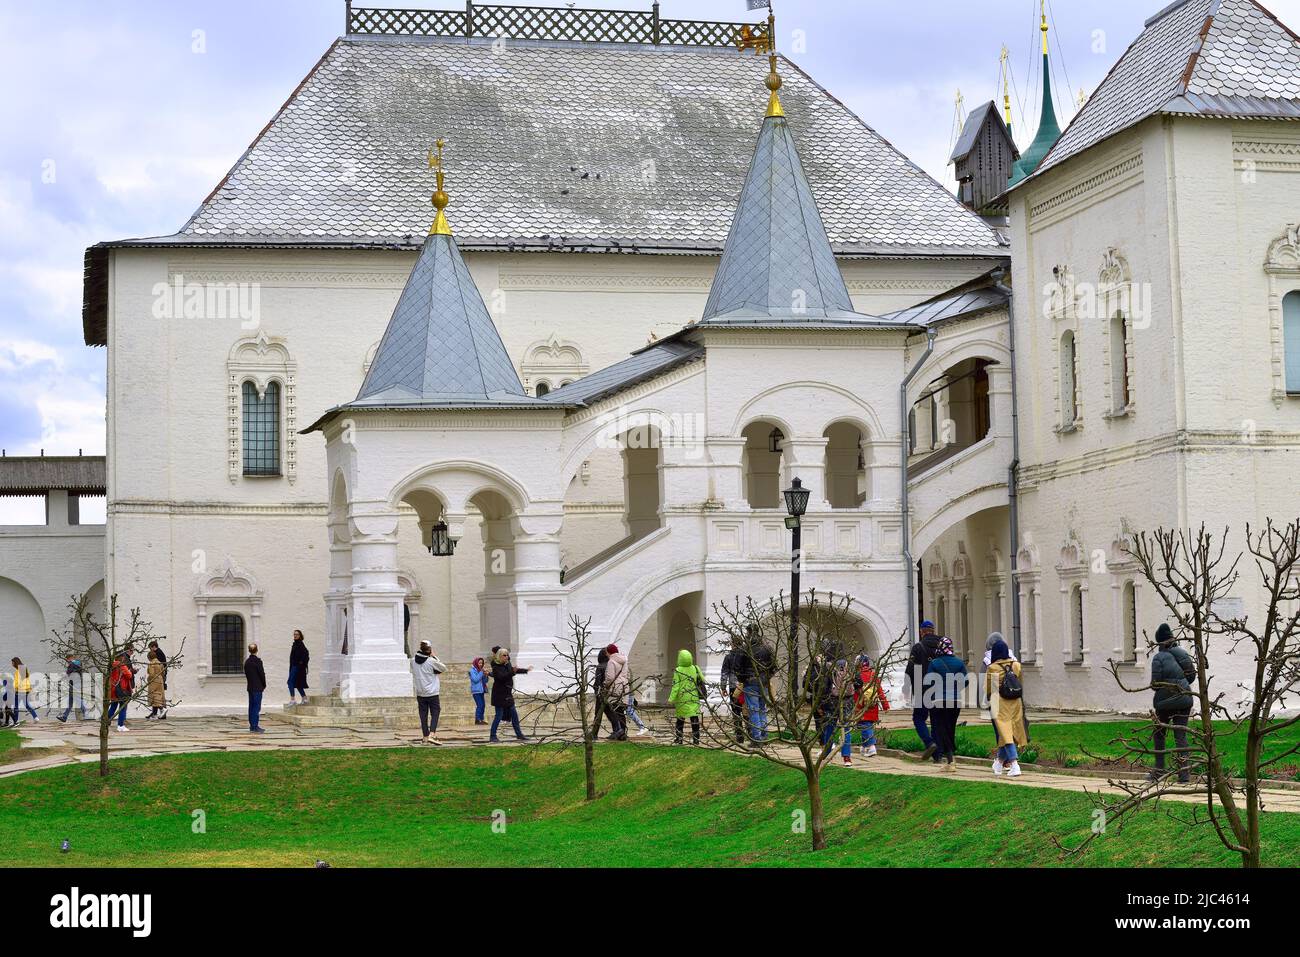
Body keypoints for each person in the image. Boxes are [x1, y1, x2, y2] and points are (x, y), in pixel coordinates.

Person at [1150, 623, 1196, 784]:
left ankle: (1159, 771)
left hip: (1165, 703)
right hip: (1184, 700)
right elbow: (1191, 676)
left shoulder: (1158, 658)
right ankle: (1184, 776)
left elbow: (1155, 683)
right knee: (1180, 737)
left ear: (1160, 642)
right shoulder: (1183, 653)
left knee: (1159, 735)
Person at [985, 637, 1027, 777]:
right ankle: (999, 762)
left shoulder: (992, 668)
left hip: (1000, 703)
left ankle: (1015, 764)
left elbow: (990, 688)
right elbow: (1020, 682)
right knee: (1009, 732)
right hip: (1015, 701)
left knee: (1006, 733)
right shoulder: (1016, 665)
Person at [926, 637, 968, 771]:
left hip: (939, 700)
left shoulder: (935, 663)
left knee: (941, 729)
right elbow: (965, 681)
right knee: (950, 728)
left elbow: (929, 681)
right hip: (955, 701)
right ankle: (950, 758)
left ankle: (950, 759)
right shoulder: (959, 663)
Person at [906, 621, 943, 761]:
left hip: (922, 688)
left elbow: (910, 669)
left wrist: (906, 687)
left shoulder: (918, 647)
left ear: (922, 632)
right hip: (939, 689)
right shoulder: (942, 646)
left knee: (919, 718)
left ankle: (929, 742)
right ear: (933, 630)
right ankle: (937, 754)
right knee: (936, 721)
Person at [818, 658, 862, 766]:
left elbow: (824, 688)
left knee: (829, 730)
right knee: (846, 730)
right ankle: (847, 757)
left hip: (832, 703)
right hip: (847, 701)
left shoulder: (830, 670)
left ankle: (828, 756)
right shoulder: (850, 668)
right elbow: (859, 684)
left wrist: (821, 705)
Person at [736, 626, 772, 742]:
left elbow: (738, 667)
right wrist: (767, 677)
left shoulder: (746, 649)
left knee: (754, 711)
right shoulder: (767, 648)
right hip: (763, 682)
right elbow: (773, 666)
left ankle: (757, 738)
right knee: (762, 709)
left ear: (749, 633)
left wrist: (742, 679)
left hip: (750, 682)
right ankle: (764, 735)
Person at [488, 648, 530, 743]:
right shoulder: (496, 667)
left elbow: (513, 671)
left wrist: (525, 670)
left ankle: (519, 735)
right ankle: (492, 736)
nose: (506, 657)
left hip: (507, 694)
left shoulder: (507, 664)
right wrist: (512, 672)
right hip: (499, 695)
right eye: (504, 655)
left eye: (507, 655)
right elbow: (501, 677)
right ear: (499, 656)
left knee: (514, 715)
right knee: (498, 716)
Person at [411, 640, 446, 745]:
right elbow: (443, 668)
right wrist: (434, 656)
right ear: (429, 650)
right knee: (435, 712)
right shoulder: (431, 661)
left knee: (423, 715)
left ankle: (425, 737)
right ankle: (432, 734)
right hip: (432, 692)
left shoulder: (413, 661)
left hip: (420, 692)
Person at [668, 648, 704, 745]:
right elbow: (703, 680)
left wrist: (671, 698)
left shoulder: (678, 670)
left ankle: (679, 738)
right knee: (694, 718)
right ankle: (696, 739)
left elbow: (676, 686)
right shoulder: (695, 668)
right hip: (693, 697)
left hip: (682, 698)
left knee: (680, 719)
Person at [855, 653, 889, 757]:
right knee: (866, 725)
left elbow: (855, 693)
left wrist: (854, 706)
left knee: (865, 726)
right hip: (873, 705)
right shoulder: (873, 675)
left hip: (861, 706)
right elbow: (880, 691)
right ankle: (864, 747)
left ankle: (871, 746)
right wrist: (885, 705)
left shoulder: (857, 676)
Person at [719, 638, 747, 744]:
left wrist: (723, 687)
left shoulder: (729, 657)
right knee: (746, 709)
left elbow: (724, 673)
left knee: (736, 711)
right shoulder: (746, 656)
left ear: (733, 644)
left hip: (733, 686)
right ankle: (750, 731)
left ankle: (739, 735)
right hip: (744, 686)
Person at [604, 644, 630, 741]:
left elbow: (610, 677)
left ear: (609, 652)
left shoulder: (611, 661)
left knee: (615, 711)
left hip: (616, 688)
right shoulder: (624, 660)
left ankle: (619, 731)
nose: (606, 654)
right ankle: (623, 733)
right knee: (621, 711)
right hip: (624, 686)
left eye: (607, 652)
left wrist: (605, 684)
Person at [106, 653, 134, 732]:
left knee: (113, 706)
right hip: (122, 689)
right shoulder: (122, 665)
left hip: (113, 688)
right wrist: (130, 671)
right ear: (121, 658)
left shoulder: (111, 665)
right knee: (122, 707)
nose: (124, 659)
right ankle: (120, 725)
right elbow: (129, 675)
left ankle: (105, 721)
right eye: (123, 657)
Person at [56, 655, 87, 723]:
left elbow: (68, 673)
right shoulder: (73, 664)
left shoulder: (75, 663)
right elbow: (68, 674)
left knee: (78, 700)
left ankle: (87, 714)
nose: (67, 661)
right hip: (72, 685)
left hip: (76, 685)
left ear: (70, 658)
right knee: (70, 702)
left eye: (67, 659)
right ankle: (64, 717)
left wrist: (60, 679)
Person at [244, 643, 267, 733]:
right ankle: (255, 726)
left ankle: (252, 726)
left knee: (251, 706)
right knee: (256, 707)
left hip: (250, 687)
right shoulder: (258, 661)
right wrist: (264, 684)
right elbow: (262, 674)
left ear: (249, 650)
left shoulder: (247, 662)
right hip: (257, 687)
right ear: (256, 650)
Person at [10, 658, 37, 724]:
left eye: (12, 663)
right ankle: (36, 717)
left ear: (15, 663)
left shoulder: (17, 672)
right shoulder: (25, 669)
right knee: (27, 705)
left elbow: (17, 682)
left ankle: (15, 721)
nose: (12, 664)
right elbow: (27, 680)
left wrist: (13, 688)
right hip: (26, 689)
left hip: (20, 690)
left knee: (16, 706)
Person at [287, 630, 310, 706]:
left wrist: (301, 663)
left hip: (297, 667)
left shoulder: (300, 644)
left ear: (300, 635)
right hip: (294, 666)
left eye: (297, 634)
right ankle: (304, 698)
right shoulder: (295, 644)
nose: (295, 635)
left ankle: (293, 699)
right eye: (294, 634)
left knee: (290, 682)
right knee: (297, 683)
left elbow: (306, 654)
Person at [147, 640, 168, 718]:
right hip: (160, 677)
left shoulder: (157, 654)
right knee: (159, 695)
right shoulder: (159, 652)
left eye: (150, 648)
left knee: (155, 694)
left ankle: (161, 711)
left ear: (153, 647)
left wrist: (148, 679)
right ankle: (155, 713)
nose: (150, 650)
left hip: (156, 678)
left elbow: (153, 673)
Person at [145, 651, 166, 719]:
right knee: (158, 695)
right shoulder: (160, 663)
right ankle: (154, 714)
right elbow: (163, 673)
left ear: (149, 657)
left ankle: (162, 709)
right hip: (160, 680)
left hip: (154, 681)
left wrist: (148, 679)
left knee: (154, 696)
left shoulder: (152, 664)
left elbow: (151, 674)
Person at [469, 657, 489, 725]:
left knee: (483, 705)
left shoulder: (481, 671)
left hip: (481, 690)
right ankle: (477, 719)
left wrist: (486, 675)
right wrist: (481, 672)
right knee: (480, 705)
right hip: (476, 691)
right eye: (479, 663)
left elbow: (485, 681)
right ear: (476, 663)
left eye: (482, 663)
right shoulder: (472, 670)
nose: (481, 664)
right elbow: (475, 679)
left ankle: (481, 719)